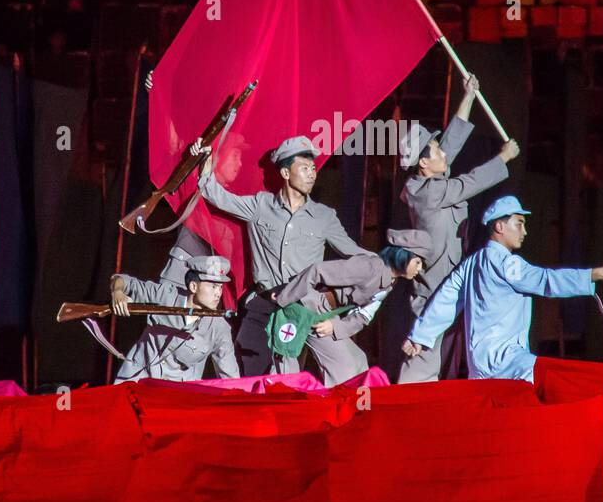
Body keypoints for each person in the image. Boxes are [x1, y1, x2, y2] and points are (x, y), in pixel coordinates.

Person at [402, 196, 603, 382]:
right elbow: (545, 280)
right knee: (553, 383)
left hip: (479, 366)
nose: (524, 231)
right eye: (519, 224)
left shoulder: (471, 264)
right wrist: (596, 273)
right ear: (499, 226)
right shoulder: (507, 263)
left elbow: (446, 301)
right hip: (509, 363)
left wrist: (420, 336)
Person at [195, 134, 368, 374]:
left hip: (306, 308)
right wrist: (205, 161)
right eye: (304, 167)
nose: (311, 173)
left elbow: (356, 254)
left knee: (351, 365)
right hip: (266, 303)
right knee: (255, 371)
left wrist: (387, 264)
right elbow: (215, 195)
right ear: (286, 173)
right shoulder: (260, 206)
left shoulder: (324, 216)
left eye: (313, 168)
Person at [397, 72, 520, 383]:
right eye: (435, 151)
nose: (443, 154)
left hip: (453, 286)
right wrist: (503, 157)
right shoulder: (425, 193)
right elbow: (470, 182)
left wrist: (467, 97)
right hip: (433, 293)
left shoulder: (430, 177)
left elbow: (448, 144)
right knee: (423, 362)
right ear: (423, 163)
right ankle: (401, 413)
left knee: (449, 363)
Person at [271, 229, 433, 386]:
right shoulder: (370, 266)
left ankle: (358, 407)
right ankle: (335, 408)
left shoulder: (389, 282)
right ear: (402, 255)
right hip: (308, 307)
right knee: (344, 366)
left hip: (327, 313)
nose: (419, 270)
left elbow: (364, 315)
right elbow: (317, 271)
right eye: (417, 262)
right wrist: (283, 300)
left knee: (359, 359)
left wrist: (336, 326)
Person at [109, 254, 240, 383]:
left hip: (177, 396)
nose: (218, 293)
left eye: (220, 287)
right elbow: (122, 280)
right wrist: (118, 292)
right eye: (213, 286)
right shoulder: (166, 295)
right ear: (194, 286)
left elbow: (230, 378)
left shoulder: (219, 328)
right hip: (136, 381)